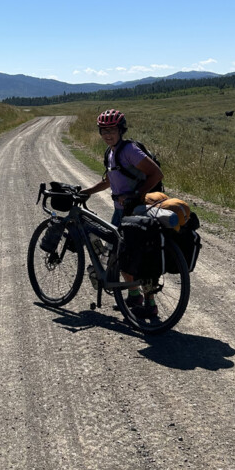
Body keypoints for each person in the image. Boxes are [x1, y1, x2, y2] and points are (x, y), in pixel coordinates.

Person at [79, 109, 164, 319]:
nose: (108, 134)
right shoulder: (110, 152)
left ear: (121, 130)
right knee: (122, 255)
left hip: (138, 212)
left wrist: (138, 195)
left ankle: (150, 304)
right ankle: (135, 296)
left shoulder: (129, 150)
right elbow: (110, 180)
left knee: (139, 257)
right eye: (104, 130)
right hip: (120, 212)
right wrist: (88, 192)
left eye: (112, 130)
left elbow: (156, 173)